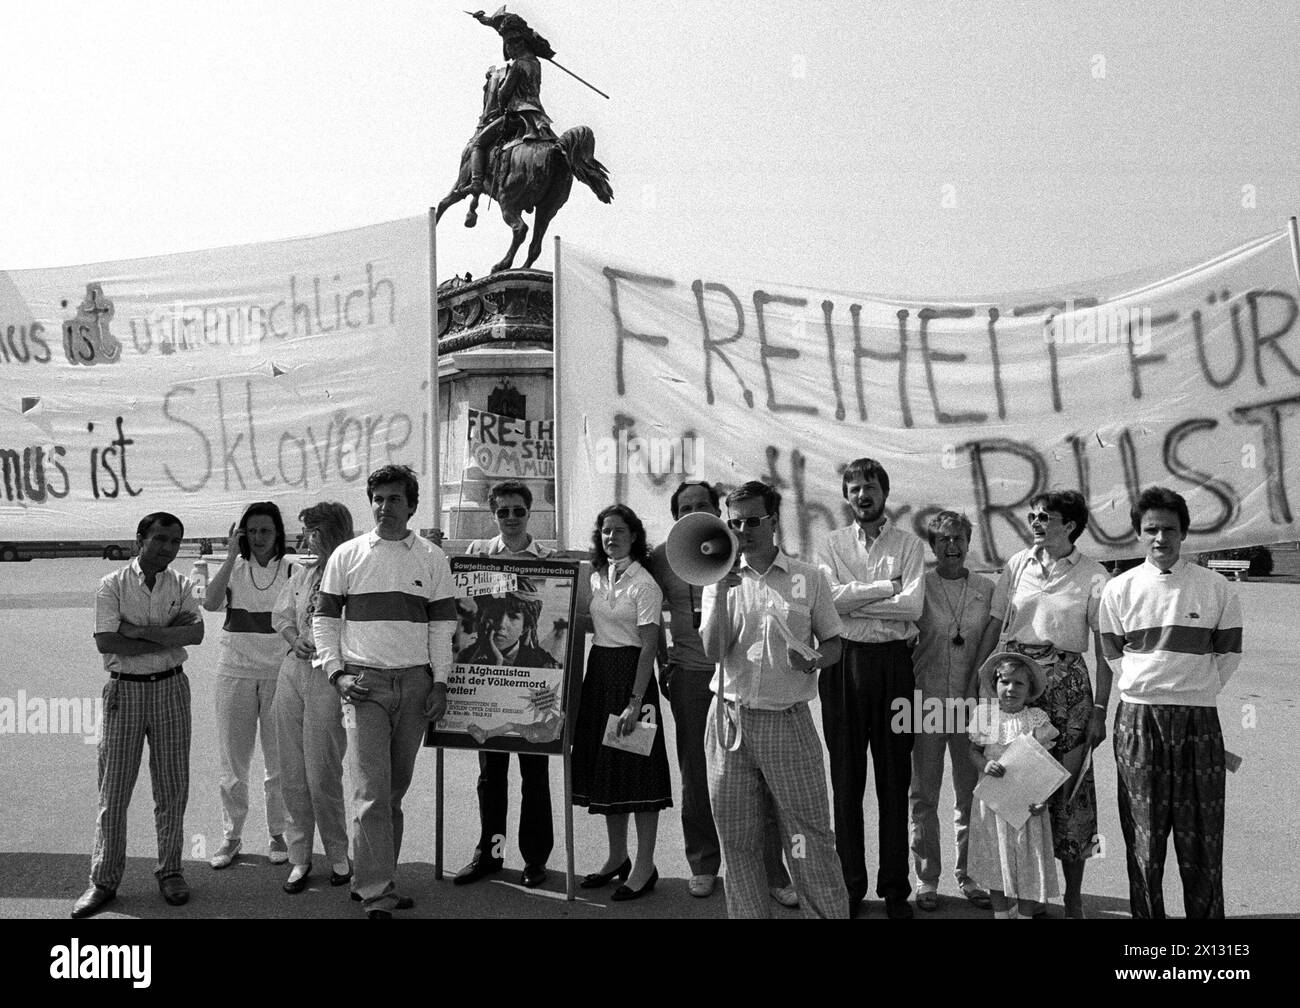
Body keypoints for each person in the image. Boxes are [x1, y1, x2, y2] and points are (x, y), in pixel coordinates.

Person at [313, 464, 456, 919]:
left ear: (411, 506)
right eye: (378, 498)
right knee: (372, 791)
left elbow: (442, 626)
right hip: (364, 686)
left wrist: (440, 682)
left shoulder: (432, 558)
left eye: (395, 499)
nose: (384, 507)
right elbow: (325, 621)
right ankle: (376, 891)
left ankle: (375, 880)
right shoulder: (347, 556)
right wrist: (337, 674)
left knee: (393, 792)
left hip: (414, 685)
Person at [647, 479, 798, 906]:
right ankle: (703, 863)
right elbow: (641, 607)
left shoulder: (742, 549)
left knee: (759, 779)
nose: (691, 512)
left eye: (700, 505)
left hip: (740, 675)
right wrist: (664, 662)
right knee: (698, 774)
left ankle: (772, 870)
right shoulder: (663, 557)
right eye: (683, 508)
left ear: (716, 511)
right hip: (691, 675)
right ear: (675, 516)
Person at [701, 480, 847, 919]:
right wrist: (723, 591)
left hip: (787, 720)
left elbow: (835, 643)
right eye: (735, 521)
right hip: (729, 719)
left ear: (773, 522)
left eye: (752, 521)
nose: (743, 530)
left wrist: (815, 660)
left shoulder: (808, 577)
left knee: (808, 835)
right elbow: (712, 651)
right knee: (738, 837)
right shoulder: (718, 578)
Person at [1099, 486, 1242, 919]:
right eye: (1152, 530)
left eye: (1170, 530)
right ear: (1138, 534)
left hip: (1199, 720)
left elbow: (1229, 654)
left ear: (1185, 533)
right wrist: (1148, 688)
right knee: (1145, 838)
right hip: (1138, 720)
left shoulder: (1215, 588)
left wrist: (1191, 690)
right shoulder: (1119, 589)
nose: (1161, 538)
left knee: (1202, 837)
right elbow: (1112, 654)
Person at [974, 489, 1113, 918]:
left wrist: (1100, 710)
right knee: (1013, 791)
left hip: (1068, 690)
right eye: (1031, 515)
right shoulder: (1016, 565)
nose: (1034, 522)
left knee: (1069, 795)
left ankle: (1071, 897)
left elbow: (1105, 651)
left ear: (1069, 525)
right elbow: (996, 624)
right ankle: (1018, 896)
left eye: (1044, 517)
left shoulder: (1094, 574)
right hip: (1013, 681)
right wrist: (981, 687)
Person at [72, 512, 205, 919]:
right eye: (160, 539)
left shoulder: (182, 584)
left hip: (170, 689)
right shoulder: (111, 585)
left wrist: (136, 632)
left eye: (175, 541)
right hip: (124, 691)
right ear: (139, 540)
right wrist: (164, 635)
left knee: (171, 788)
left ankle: (170, 871)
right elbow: (106, 641)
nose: (168, 548)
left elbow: (195, 634)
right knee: (114, 791)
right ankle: (104, 880)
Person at [815, 457, 925, 919]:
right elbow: (828, 601)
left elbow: (914, 605)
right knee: (846, 782)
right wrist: (884, 588)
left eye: (871, 487)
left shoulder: (910, 544)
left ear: (885, 492)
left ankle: (896, 889)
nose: (863, 495)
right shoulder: (830, 544)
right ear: (846, 495)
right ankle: (850, 886)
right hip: (842, 665)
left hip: (897, 668)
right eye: (855, 488)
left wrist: (854, 599)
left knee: (895, 781)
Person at [453, 479, 558, 890]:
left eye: (518, 510)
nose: (511, 518)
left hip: (532, 694)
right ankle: (490, 853)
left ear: (529, 513)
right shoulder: (477, 555)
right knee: (490, 777)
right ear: (492, 515)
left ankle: (535, 859)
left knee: (535, 776)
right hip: (487, 694)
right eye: (503, 511)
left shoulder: (548, 557)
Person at [570, 503, 672, 901]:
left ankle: (645, 866)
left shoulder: (644, 584)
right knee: (608, 772)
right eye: (606, 531)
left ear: (635, 536)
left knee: (638, 774)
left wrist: (634, 701)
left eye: (620, 531)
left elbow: (649, 646)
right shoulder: (594, 578)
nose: (611, 538)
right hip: (600, 677)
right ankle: (617, 858)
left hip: (633, 682)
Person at [908, 510, 993, 911]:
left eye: (959, 538)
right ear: (933, 545)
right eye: (943, 540)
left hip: (971, 706)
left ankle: (969, 874)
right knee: (923, 794)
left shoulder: (986, 589)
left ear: (969, 541)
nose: (953, 547)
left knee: (971, 794)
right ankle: (926, 878)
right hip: (925, 703)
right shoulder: (920, 587)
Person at [270, 501, 355, 894]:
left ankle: (338, 853)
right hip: (293, 672)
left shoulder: (354, 570)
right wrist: (293, 640)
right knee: (292, 770)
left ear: (331, 531)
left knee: (323, 770)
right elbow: (282, 615)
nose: (307, 538)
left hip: (329, 676)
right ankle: (299, 855)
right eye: (306, 531)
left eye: (313, 530)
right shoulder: (303, 574)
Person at [204, 502, 294, 870]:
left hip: (279, 675)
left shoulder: (293, 570)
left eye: (265, 531)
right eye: (252, 531)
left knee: (279, 764)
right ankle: (232, 836)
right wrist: (229, 556)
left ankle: (277, 834)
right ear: (242, 534)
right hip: (235, 673)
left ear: (277, 534)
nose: (259, 538)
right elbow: (210, 603)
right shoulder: (233, 569)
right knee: (233, 764)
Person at [967, 652, 1061, 919]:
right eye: (1005, 682)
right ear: (995, 685)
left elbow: (1047, 764)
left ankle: (1026, 914)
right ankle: (1001, 913)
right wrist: (984, 765)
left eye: (1019, 683)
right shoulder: (985, 715)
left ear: (1030, 689)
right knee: (995, 859)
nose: (1011, 689)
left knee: (1027, 859)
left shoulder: (1036, 719)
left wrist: (1044, 799)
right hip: (994, 801)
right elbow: (973, 750)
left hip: (1027, 803)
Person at [468, 9, 556, 195]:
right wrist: (488, 21)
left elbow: (502, 94)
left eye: (508, 45)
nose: (507, 50)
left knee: (478, 144)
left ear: (515, 45)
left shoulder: (517, 65)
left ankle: (476, 183)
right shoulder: (535, 63)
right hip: (537, 115)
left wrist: (501, 103)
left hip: (517, 113)